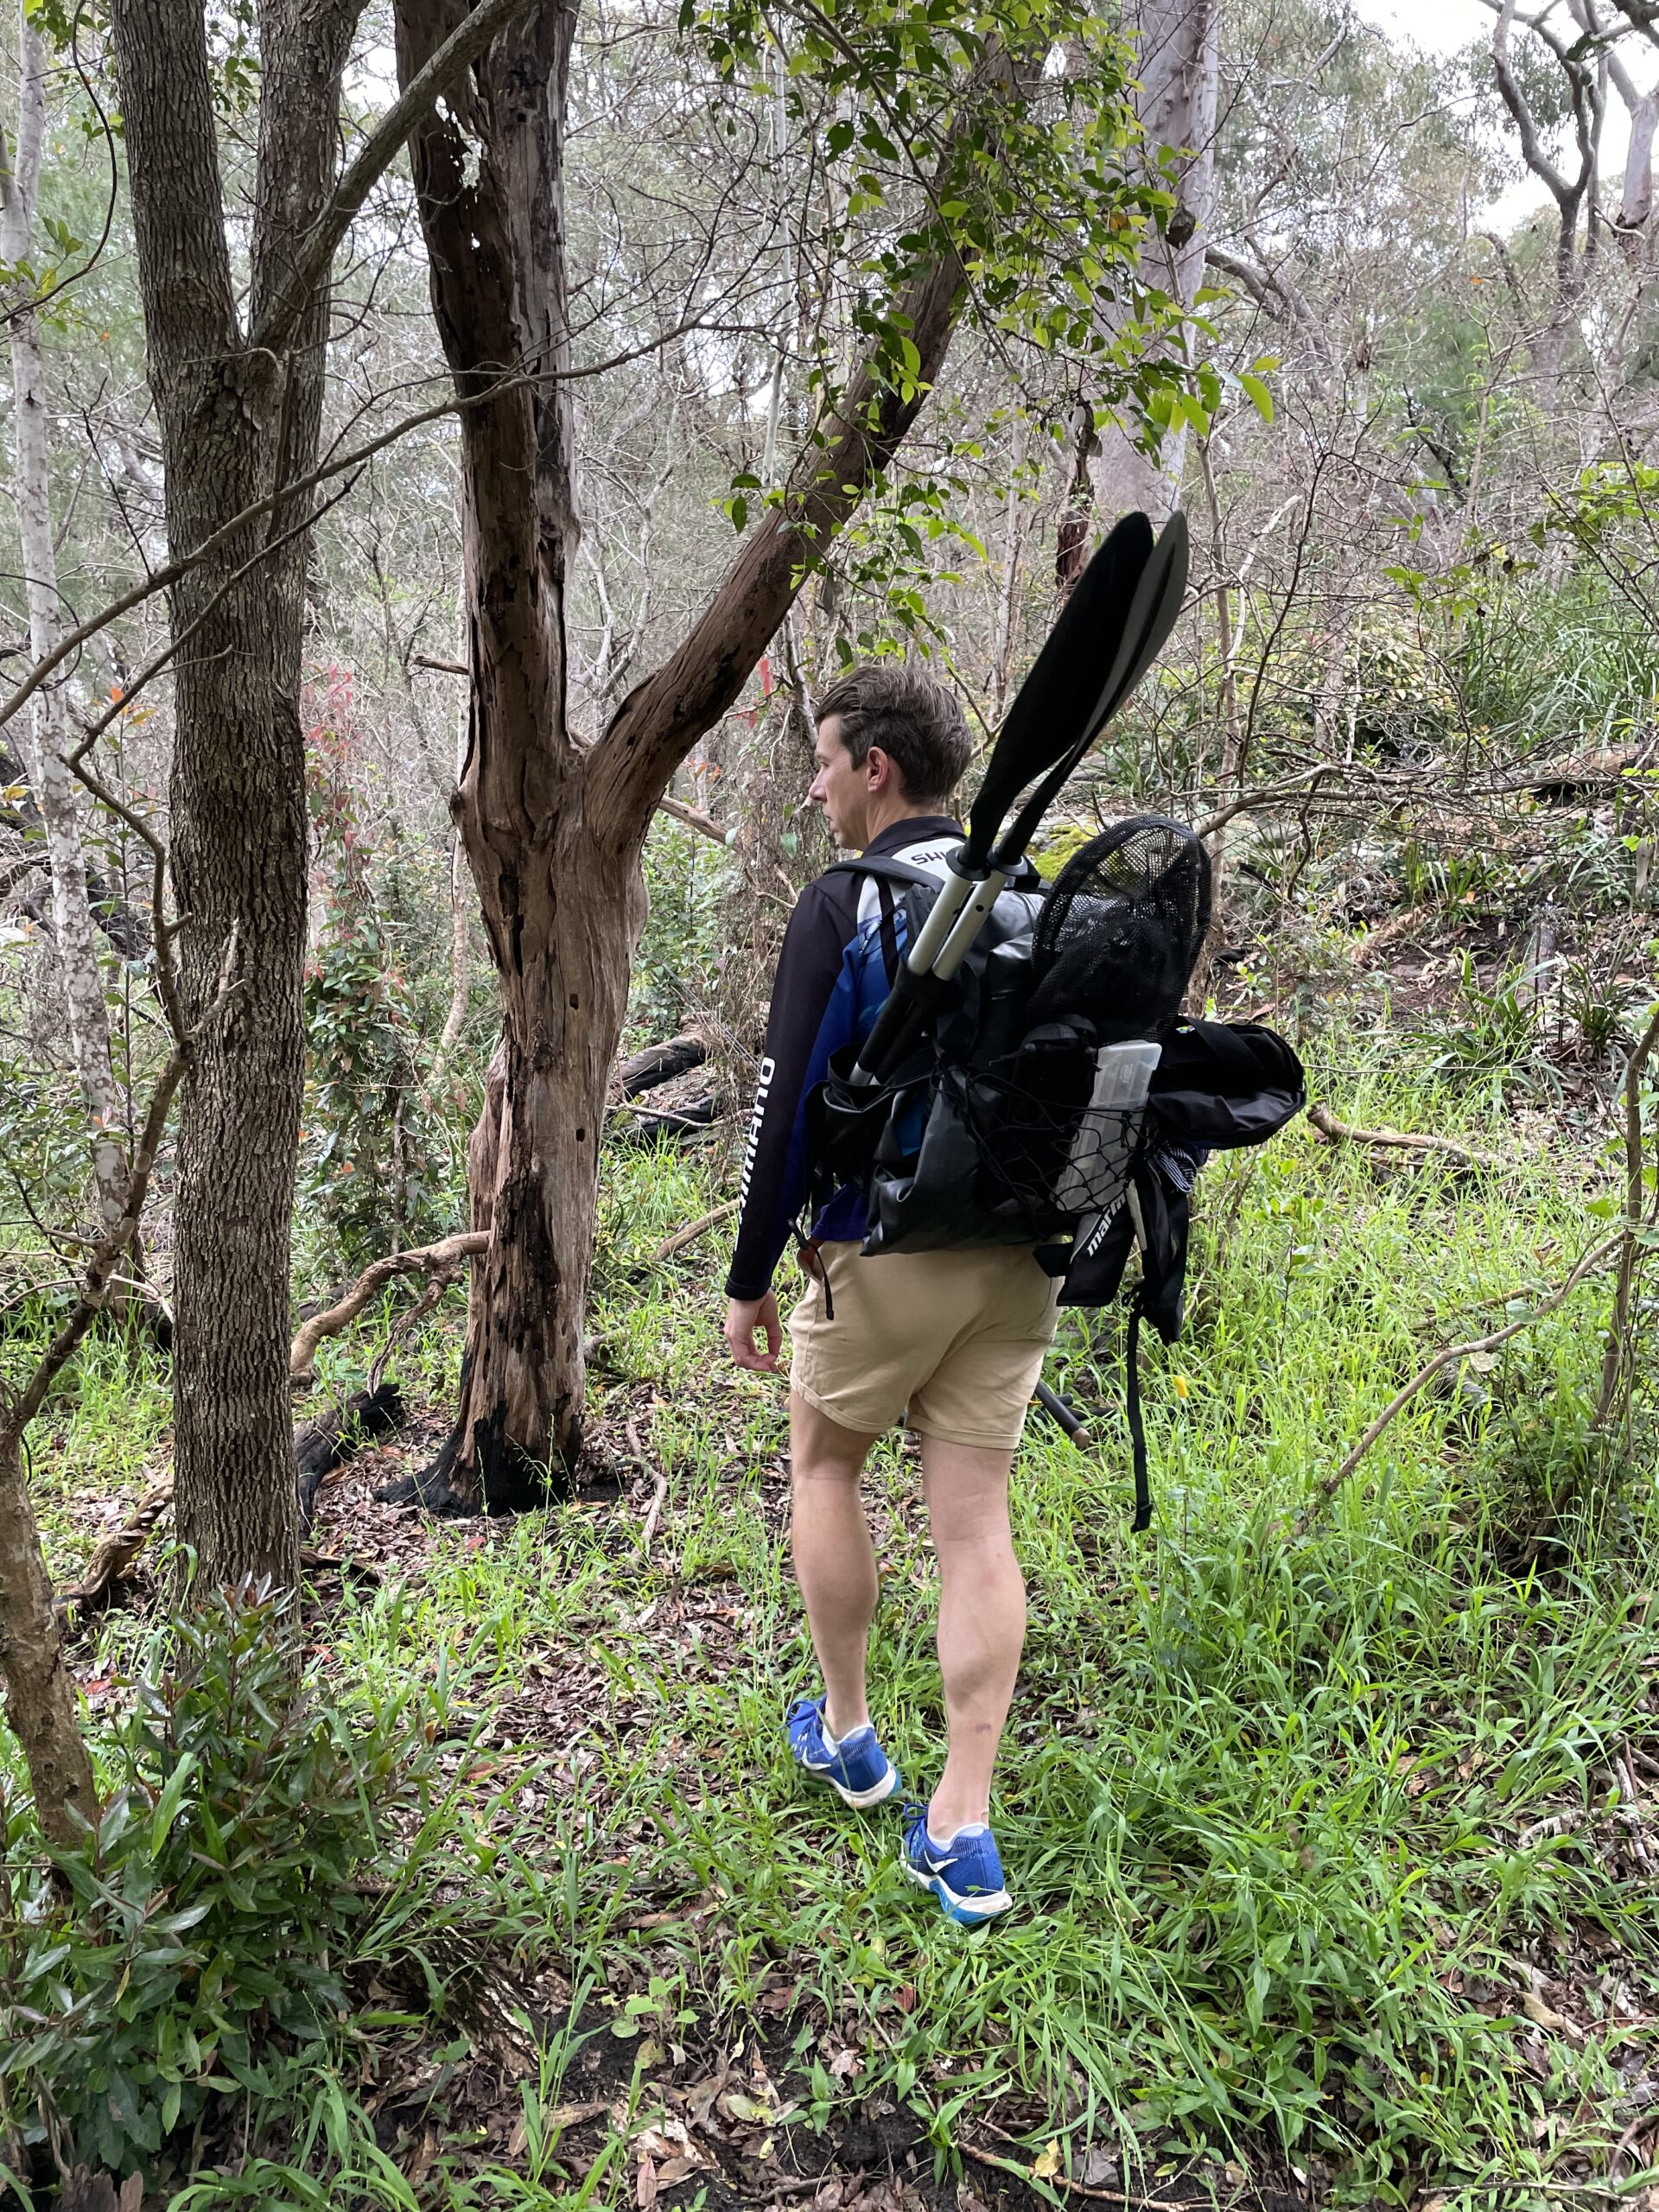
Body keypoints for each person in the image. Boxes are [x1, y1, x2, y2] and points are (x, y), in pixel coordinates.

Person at [722, 664, 1061, 1926]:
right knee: (975, 1526)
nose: (814, 785)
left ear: (877, 767)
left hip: (883, 1247)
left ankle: (854, 1736)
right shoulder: (1026, 892)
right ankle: (962, 1828)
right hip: (1018, 1254)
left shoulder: (845, 903)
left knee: (825, 1471)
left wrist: (752, 1277)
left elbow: (785, 1114)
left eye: (823, 761)